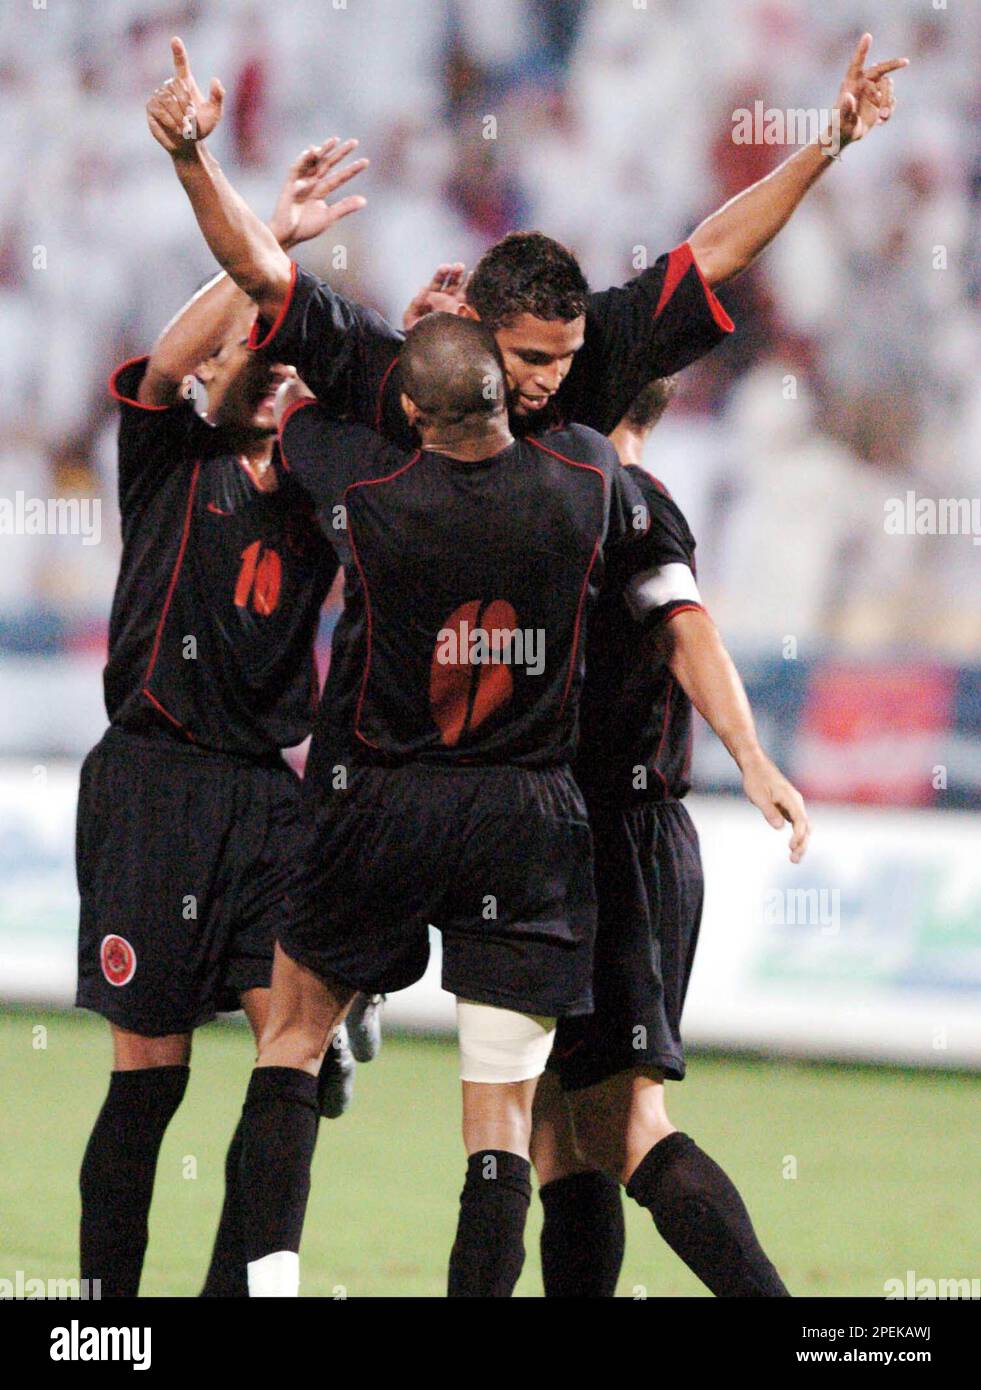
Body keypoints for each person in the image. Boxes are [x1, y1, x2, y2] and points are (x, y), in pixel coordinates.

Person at [233, 313, 672, 1298]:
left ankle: (270, 1284)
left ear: (410, 413)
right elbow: (609, 433)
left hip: (386, 801)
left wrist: (357, 360)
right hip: (526, 818)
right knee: (500, 1119)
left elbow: (300, 404)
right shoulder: (586, 480)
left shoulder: (371, 492)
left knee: (295, 1035)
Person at [75, 140, 368, 1299]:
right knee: (149, 1085)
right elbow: (182, 353)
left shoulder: (314, 507)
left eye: (291, 363)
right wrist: (272, 249)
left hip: (265, 798)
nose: (278, 369)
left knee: (284, 1061)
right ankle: (106, 1315)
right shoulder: (167, 451)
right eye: (258, 349)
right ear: (214, 373)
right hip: (153, 783)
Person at [146, 33, 905, 449]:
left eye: (563, 357)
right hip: (399, 720)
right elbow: (259, 270)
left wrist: (828, 144)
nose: (549, 379)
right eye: (532, 358)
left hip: (535, 727)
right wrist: (190, 159)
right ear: (474, 327)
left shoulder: (592, 351)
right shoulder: (393, 370)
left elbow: (713, 252)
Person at [531, 377, 809, 1298]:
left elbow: (687, 628)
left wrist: (752, 757)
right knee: (556, 1127)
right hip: (573, 838)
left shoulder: (632, 501)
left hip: (614, 842)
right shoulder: (569, 486)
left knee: (619, 1120)